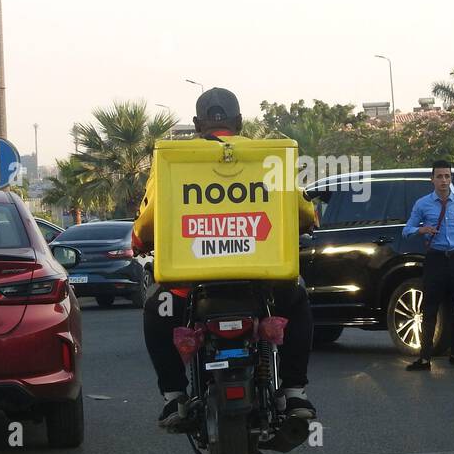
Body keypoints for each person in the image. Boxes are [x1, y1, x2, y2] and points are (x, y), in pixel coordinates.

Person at [131, 87, 318, 430]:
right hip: (264, 283)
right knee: (299, 299)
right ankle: (293, 392)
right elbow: (303, 210)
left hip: (190, 286)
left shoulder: (174, 161)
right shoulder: (268, 156)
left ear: (196, 124)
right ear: (241, 122)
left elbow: (148, 219)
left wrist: (139, 240)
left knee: (154, 311)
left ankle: (174, 398)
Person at [402, 160, 454, 371]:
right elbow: (406, 230)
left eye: (447, 176)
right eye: (439, 176)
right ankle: (425, 357)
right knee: (430, 308)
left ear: (451, 179)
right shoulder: (422, 204)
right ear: (432, 179)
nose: (444, 181)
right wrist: (421, 230)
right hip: (436, 259)